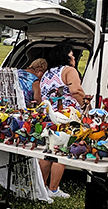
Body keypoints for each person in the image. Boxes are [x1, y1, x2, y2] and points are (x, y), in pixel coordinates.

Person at [39, 44, 91, 199]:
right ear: (65, 56)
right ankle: (53, 189)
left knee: (48, 152)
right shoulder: (69, 71)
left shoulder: (47, 74)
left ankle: (41, 187)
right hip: (66, 117)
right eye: (72, 55)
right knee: (61, 152)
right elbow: (76, 90)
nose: (74, 58)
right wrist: (86, 106)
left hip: (49, 117)